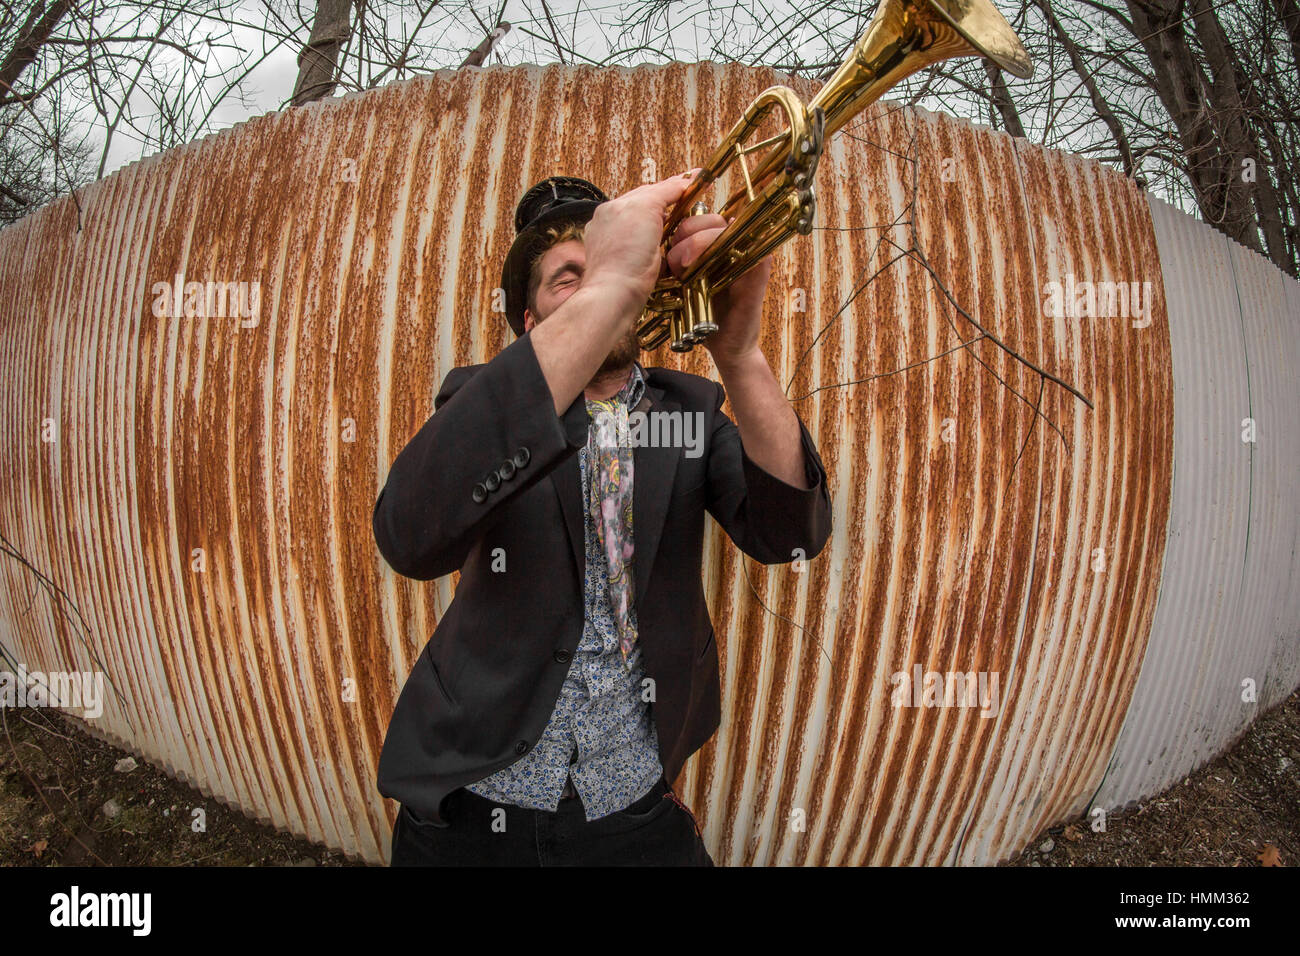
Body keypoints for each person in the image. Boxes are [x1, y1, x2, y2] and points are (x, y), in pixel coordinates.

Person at [374, 171, 833, 866]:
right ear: (530, 325)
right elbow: (409, 536)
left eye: (609, 271)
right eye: (569, 280)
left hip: (629, 801)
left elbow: (791, 535)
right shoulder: (482, 404)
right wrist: (609, 288)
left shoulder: (688, 414)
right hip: (472, 799)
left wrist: (741, 356)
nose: (597, 287)